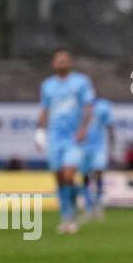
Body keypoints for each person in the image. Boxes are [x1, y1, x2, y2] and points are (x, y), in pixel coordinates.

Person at [34, 49, 95, 235]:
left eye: (65, 60)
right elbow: (44, 110)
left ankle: (73, 213)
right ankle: (66, 215)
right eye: (58, 61)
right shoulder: (47, 85)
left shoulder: (81, 82)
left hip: (74, 137)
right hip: (55, 137)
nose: (61, 63)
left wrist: (84, 128)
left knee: (69, 175)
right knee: (59, 178)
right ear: (53, 64)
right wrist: (40, 132)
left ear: (70, 63)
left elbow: (88, 106)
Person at [79, 96, 115, 221]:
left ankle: (98, 205)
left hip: (98, 147)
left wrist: (111, 149)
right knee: (85, 177)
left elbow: (110, 127)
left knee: (98, 174)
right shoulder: (77, 103)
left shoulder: (104, 106)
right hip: (82, 147)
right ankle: (89, 208)